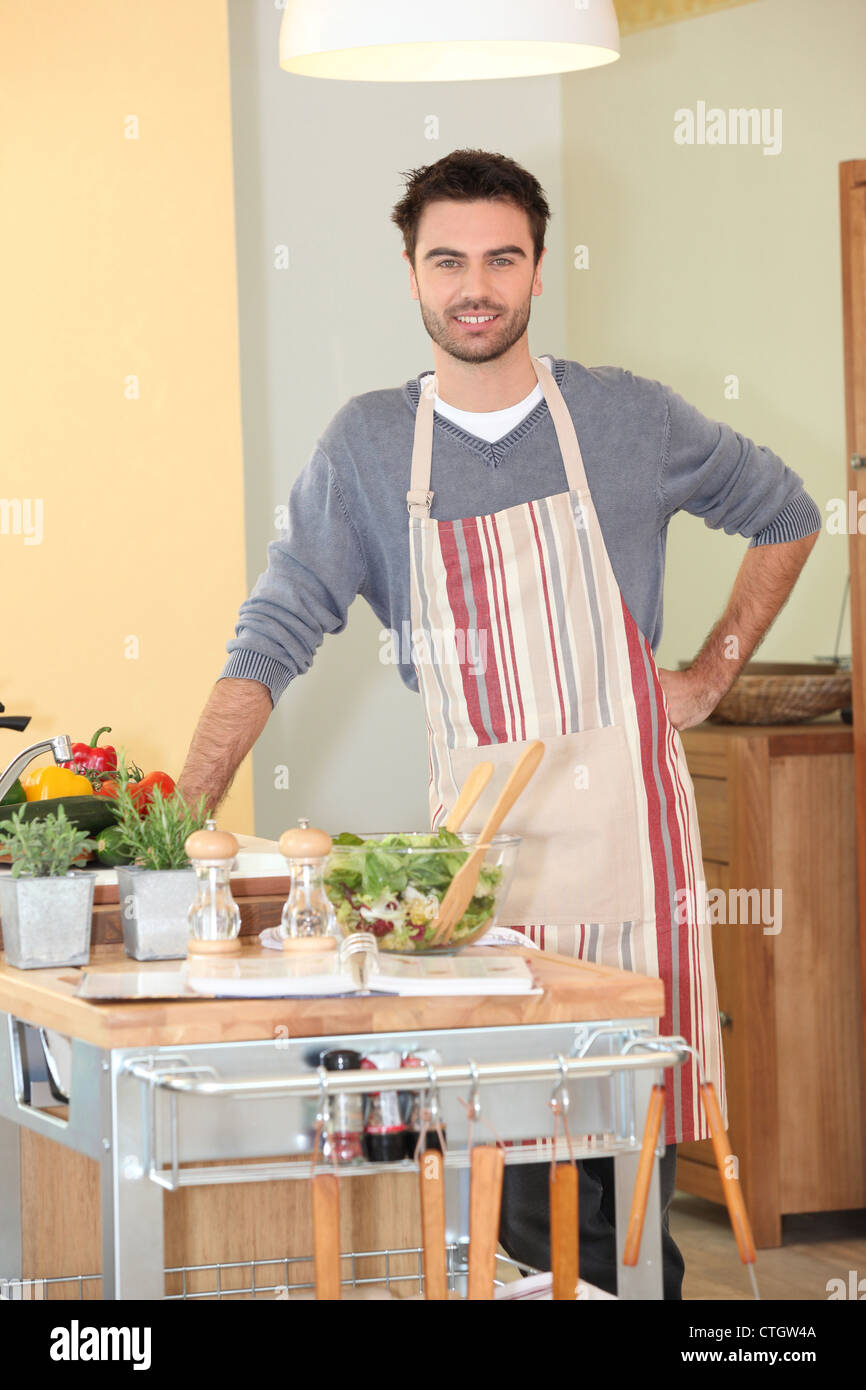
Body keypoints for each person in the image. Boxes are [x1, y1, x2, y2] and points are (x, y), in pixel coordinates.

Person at [178, 149, 821, 1298]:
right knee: (506, 1169)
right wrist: (182, 817)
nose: (475, 285)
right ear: (412, 276)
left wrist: (710, 675)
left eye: (500, 257)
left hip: (632, 850)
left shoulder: (625, 418)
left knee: (621, 1164)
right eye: (448, 260)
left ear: (534, 268)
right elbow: (271, 633)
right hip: (478, 876)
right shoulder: (370, 448)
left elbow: (782, 508)